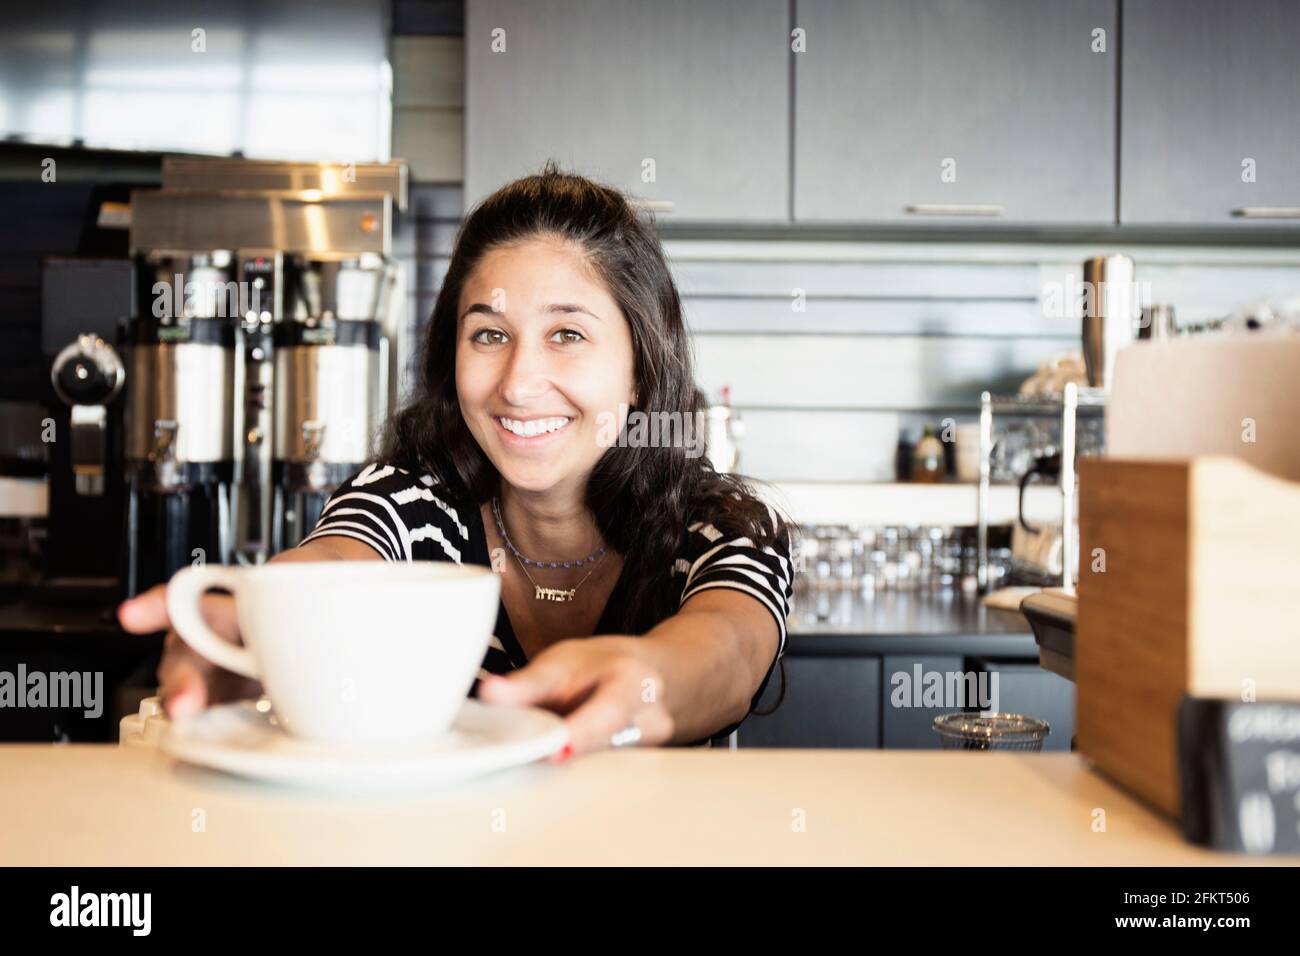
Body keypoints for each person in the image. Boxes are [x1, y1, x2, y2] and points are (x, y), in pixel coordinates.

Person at [118, 163, 795, 757]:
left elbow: (730, 652)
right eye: (490, 334)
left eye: (567, 333)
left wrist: (649, 677)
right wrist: (264, 616)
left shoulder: (721, 527)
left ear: (641, 371)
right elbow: (338, 560)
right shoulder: (413, 499)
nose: (518, 382)